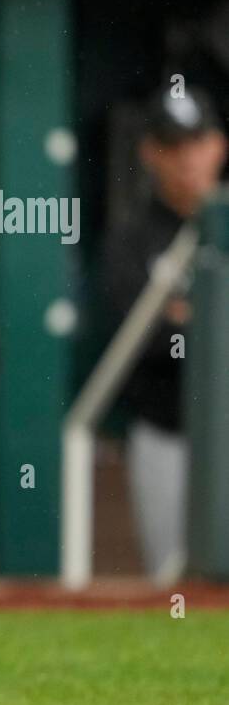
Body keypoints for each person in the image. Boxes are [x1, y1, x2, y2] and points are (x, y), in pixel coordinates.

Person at [105, 86, 227, 582]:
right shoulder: (131, 237)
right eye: (171, 146)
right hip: (165, 432)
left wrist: (186, 317)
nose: (186, 160)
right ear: (149, 152)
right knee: (173, 584)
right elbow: (139, 340)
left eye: (195, 142)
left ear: (218, 145)